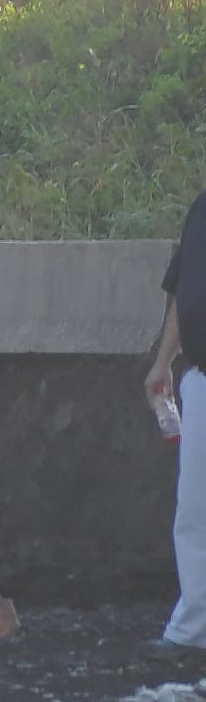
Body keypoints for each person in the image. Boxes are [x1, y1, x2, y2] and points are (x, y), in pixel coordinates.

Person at [144, 183, 206, 660]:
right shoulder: (200, 206)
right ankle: (193, 630)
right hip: (201, 377)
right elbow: (185, 291)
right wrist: (164, 362)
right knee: (194, 512)